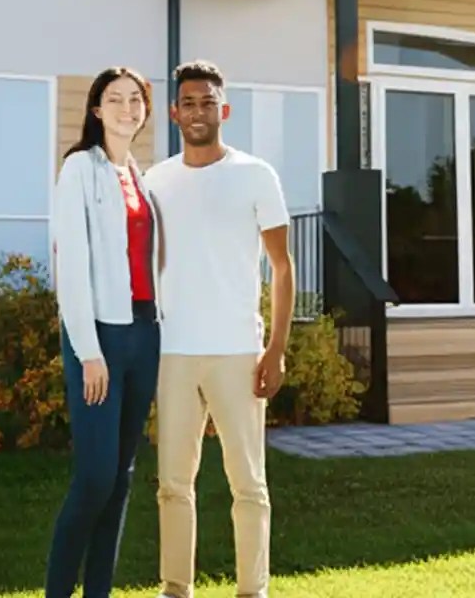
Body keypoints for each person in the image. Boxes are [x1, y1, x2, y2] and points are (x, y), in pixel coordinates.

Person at [143, 59, 295, 598]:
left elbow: (282, 268)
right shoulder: (154, 181)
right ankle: (174, 589)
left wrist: (275, 349)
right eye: (189, 102)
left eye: (208, 102)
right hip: (174, 353)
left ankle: (252, 590)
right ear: (174, 112)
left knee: (248, 484)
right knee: (172, 485)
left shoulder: (256, 175)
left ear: (223, 109)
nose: (198, 111)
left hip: (237, 351)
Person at [45, 66, 162, 598]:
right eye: (114, 99)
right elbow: (71, 267)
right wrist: (88, 352)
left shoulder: (141, 176)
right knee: (94, 478)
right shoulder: (79, 170)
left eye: (134, 99)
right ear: (96, 110)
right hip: (99, 339)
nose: (126, 107)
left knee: (120, 479)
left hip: (145, 333)